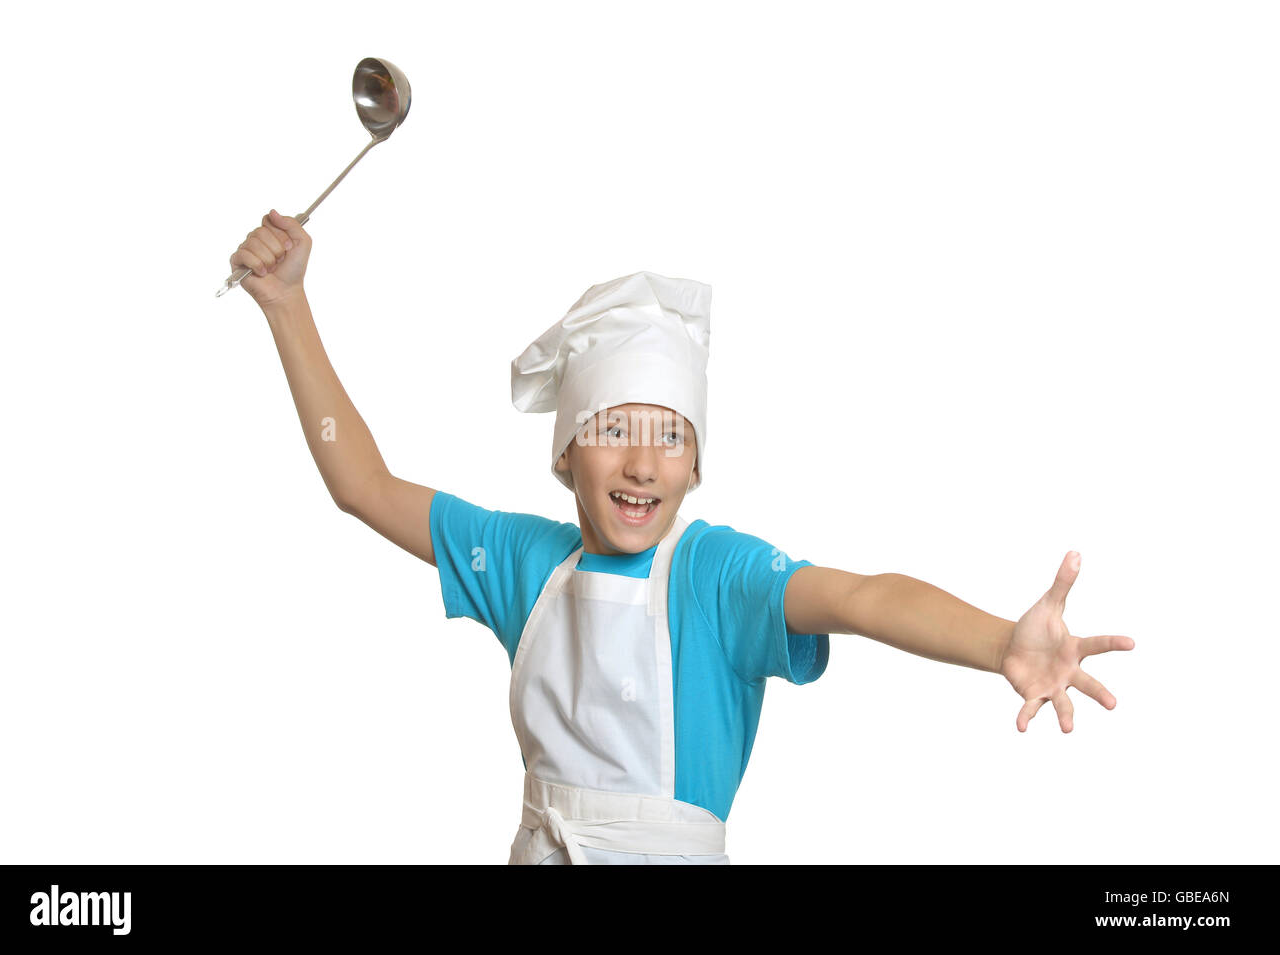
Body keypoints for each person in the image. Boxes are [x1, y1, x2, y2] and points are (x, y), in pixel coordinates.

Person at [229, 210, 1137, 865]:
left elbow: (862, 596)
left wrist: (997, 643)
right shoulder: (521, 563)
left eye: (671, 435)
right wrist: (287, 306)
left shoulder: (716, 576)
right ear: (565, 452)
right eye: (614, 428)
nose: (643, 461)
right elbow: (363, 484)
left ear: (696, 464)